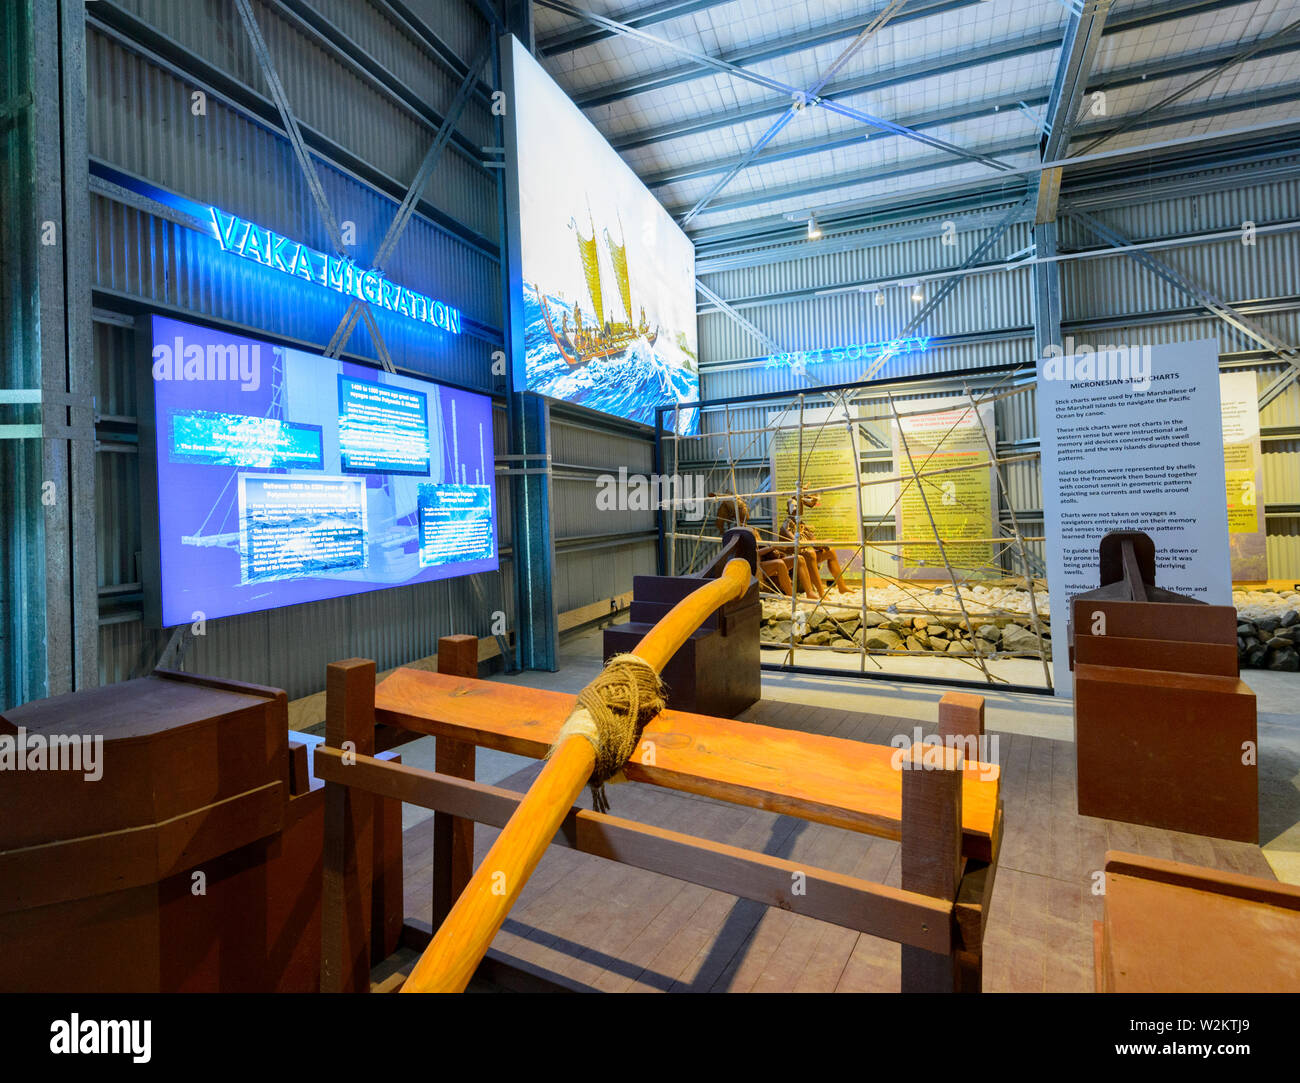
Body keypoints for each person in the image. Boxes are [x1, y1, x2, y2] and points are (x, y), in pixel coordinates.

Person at [711, 493, 817, 598]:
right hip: (755, 566)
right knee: (779, 564)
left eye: (745, 507)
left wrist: (776, 549)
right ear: (736, 513)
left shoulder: (753, 530)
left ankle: (810, 593)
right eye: (742, 508)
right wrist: (773, 547)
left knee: (799, 559)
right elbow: (753, 554)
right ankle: (790, 597)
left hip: (764, 561)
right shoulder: (738, 533)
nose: (746, 509)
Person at [779, 493, 849, 595]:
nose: (796, 508)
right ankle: (820, 592)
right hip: (792, 557)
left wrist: (823, 543)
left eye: (798, 506)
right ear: (788, 509)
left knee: (830, 552)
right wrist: (817, 543)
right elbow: (798, 543)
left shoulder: (803, 525)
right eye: (793, 506)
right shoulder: (786, 526)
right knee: (810, 554)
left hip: (804, 553)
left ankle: (842, 586)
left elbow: (814, 542)